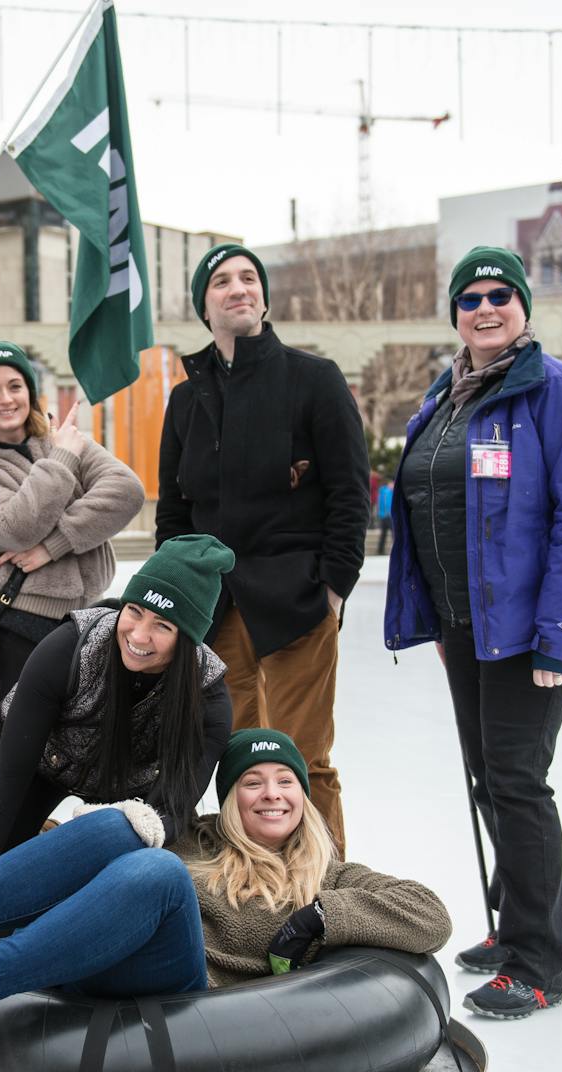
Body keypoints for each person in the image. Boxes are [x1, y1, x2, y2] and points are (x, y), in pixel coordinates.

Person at [385, 246, 562, 1021]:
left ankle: (537, 963)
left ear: (524, 305)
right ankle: (512, 928)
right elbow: (432, 514)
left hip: (538, 622)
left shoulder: (559, 392)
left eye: (502, 294)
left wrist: (557, 636)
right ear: (456, 316)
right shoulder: (447, 398)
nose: (487, 307)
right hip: (469, 622)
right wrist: (437, 616)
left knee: (518, 780)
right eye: (471, 298)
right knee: (487, 776)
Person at [0, 729, 452, 1049]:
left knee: (159, 872)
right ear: (230, 798)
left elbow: (430, 916)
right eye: (252, 782)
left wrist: (322, 916)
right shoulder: (198, 839)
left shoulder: (332, 874)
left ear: (303, 796)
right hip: (92, 955)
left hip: (187, 994)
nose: (270, 794)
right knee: (124, 825)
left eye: (284, 781)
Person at [157, 243, 369, 851]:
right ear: (205, 305)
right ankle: (251, 890)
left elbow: (351, 490)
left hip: (298, 600)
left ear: (265, 297)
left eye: (249, 278)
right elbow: (175, 510)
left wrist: (334, 584)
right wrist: (181, 597)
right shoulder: (185, 398)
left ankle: (328, 893)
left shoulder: (314, 379)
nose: (238, 288)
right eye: (222, 281)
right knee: (242, 767)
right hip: (218, 609)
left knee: (304, 761)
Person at [0, 534, 237, 878]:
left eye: (162, 625)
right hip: (43, 761)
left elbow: (169, 811)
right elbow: (8, 779)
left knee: (105, 878)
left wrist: (102, 838)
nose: (138, 636)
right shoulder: (69, 648)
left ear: (189, 639)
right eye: (134, 611)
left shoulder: (209, 702)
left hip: (132, 798)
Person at [0, 342, 144, 715]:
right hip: (20, 627)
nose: (5, 399)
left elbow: (127, 493)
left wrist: (51, 546)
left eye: (15, 386)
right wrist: (63, 460)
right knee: (16, 748)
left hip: (88, 621)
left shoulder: (63, 442)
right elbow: (18, 526)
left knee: (77, 750)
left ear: (31, 393)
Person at [375, 479, 394, 556]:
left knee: (384, 534)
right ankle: (395, 550)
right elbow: (387, 504)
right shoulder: (387, 492)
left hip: (384, 515)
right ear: (389, 484)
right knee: (393, 533)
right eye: (392, 484)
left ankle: (380, 550)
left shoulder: (383, 491)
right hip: (387, 515)